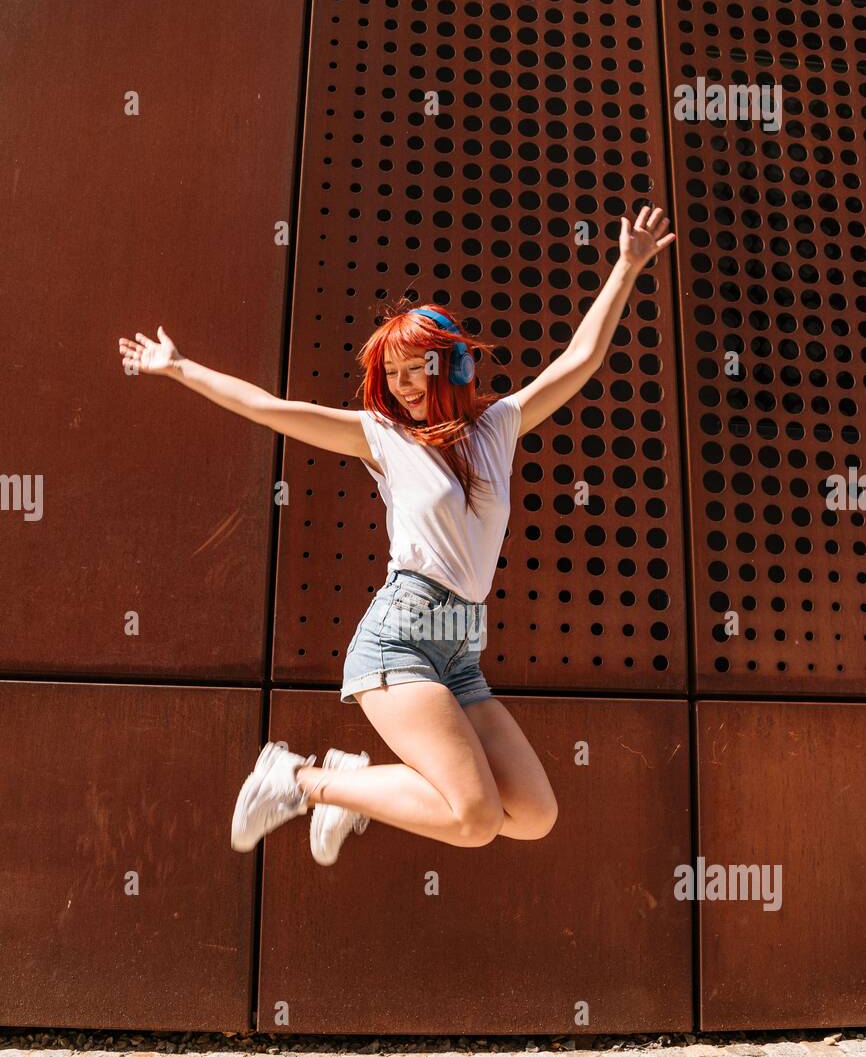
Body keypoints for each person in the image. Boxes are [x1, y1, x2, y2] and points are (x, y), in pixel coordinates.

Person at [118, 206, 675, 865]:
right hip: (403, 634)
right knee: (472, 819)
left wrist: (626, 266)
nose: (404, 386)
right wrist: (181, 367)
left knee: (530, 814)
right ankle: (302, 780)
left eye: (417, 369)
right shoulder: (381, 438)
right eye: (393, 375)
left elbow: (579, 360)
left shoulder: (497, 428)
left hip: (460, 647)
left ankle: (349, 787)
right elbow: (273, 410)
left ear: (454, 366)